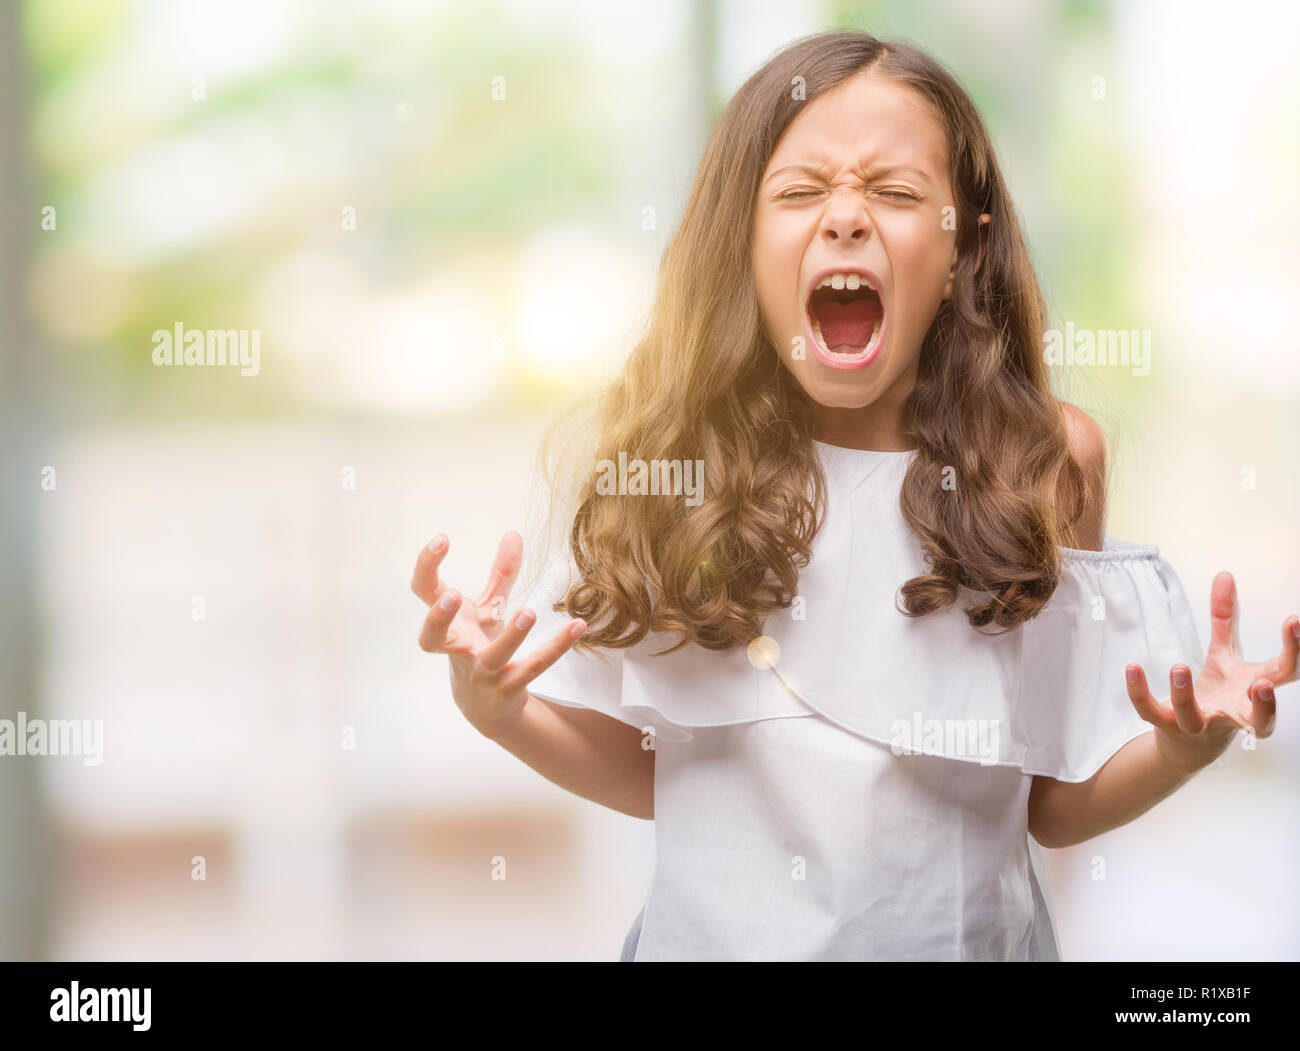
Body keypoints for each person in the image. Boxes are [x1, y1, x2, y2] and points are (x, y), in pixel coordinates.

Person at [410, 30, 1297, 961]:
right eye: (798, 192)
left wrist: (1184, 749)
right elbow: (658, 775)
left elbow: (1050, 804)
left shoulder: (1045, 460)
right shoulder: (678, 467)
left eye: (897, 192)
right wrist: (497, 706)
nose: (845, 218)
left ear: (963, 249)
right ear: (742, 245)